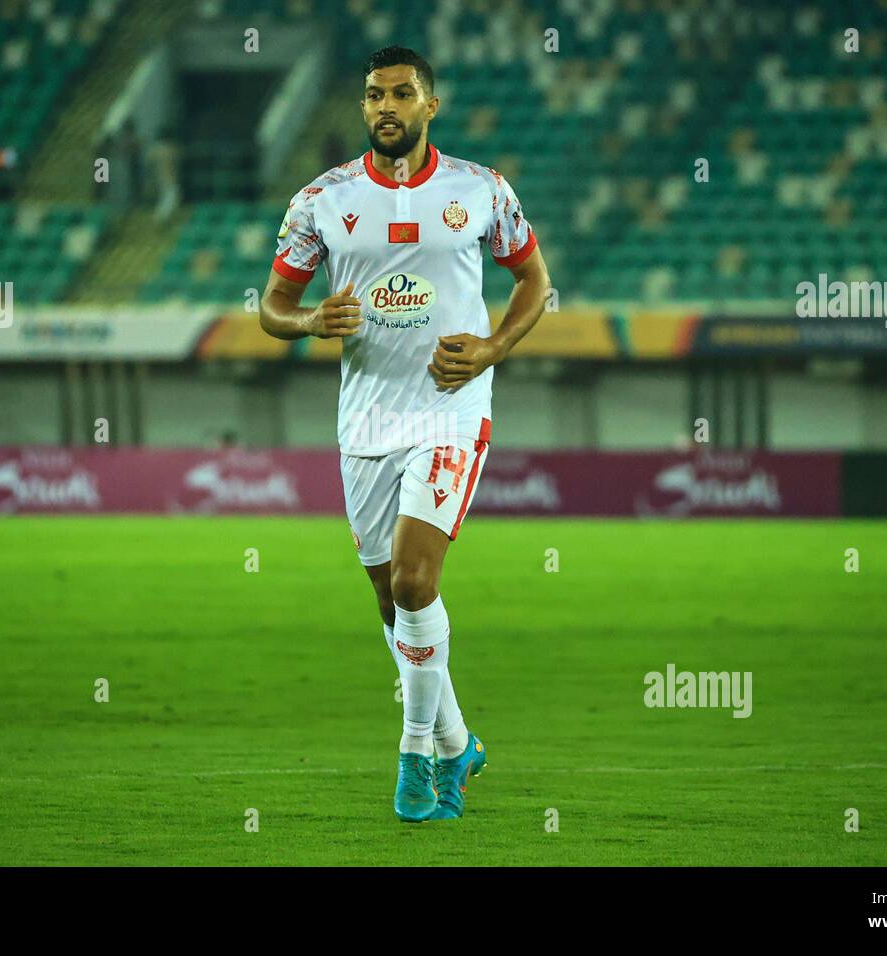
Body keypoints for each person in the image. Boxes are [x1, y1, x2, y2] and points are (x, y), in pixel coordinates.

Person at [258, 47, 551, 822]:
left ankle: (416, 758)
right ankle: (460, 743)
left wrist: (489, 348)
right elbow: (272, 306)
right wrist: (310, 320)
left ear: (430, 106)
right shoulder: (321, 200)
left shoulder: (480, 190)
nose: (385, 106)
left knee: (419, 584)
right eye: (373, 95)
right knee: (393, 605)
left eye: (400, 94)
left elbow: (534, 283)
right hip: (366, 419)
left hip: (452, 407)